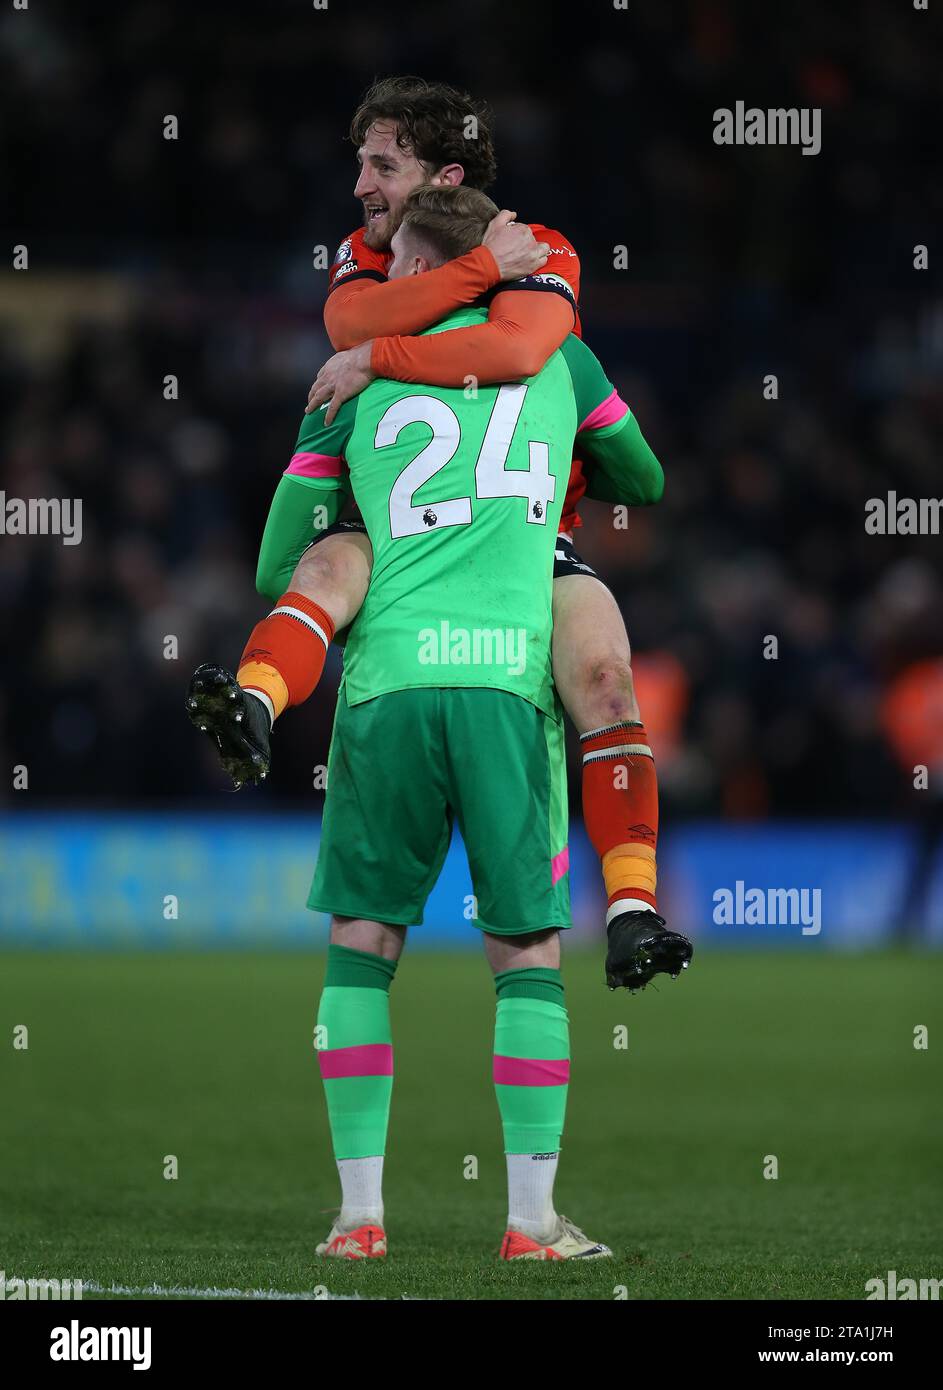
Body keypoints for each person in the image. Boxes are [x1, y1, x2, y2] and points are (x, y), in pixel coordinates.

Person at [187, 185, 692, 1260]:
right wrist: (563, 483)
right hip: (509, 640)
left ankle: (357, 1219)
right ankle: (531, 1217)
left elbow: (283, 555)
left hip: (390, 654)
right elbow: (643, 477)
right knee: (531, 924)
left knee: (363, 946)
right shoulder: (557, 358)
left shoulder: (353, 374)